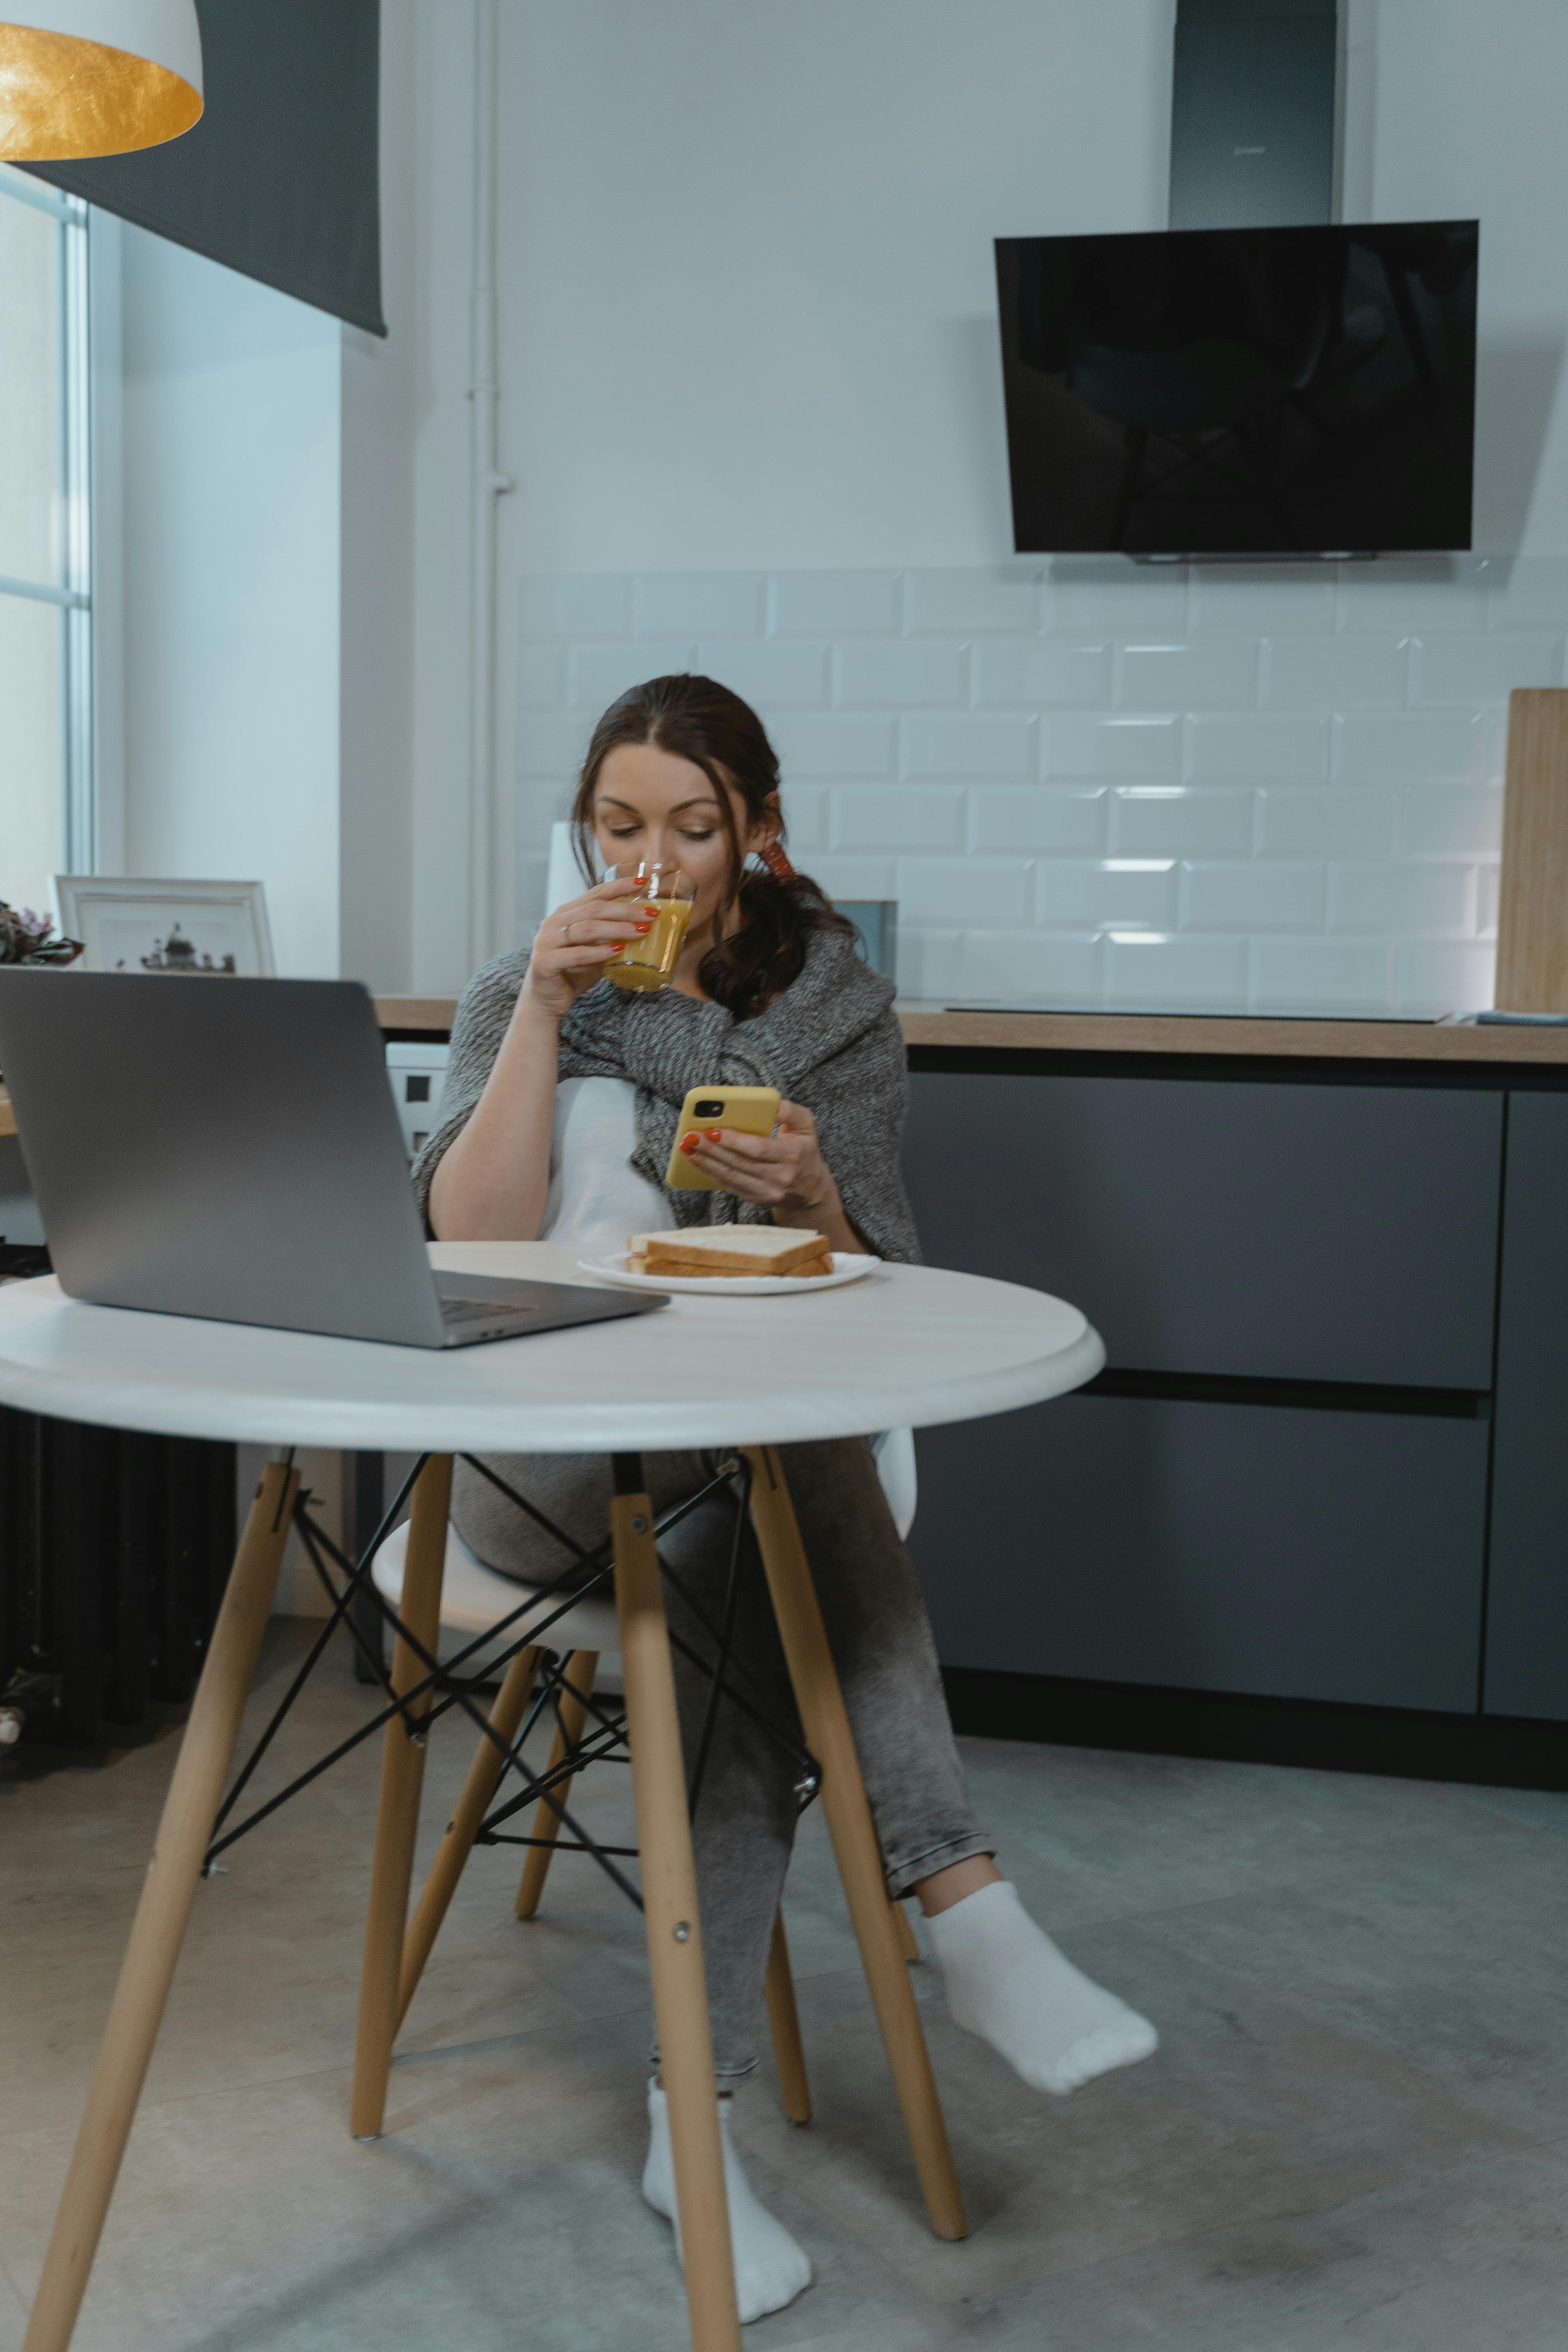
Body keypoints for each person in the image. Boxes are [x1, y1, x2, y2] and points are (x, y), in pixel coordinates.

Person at [413, 674, 1156, 2323]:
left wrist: (813, 1182)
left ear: (758, 828)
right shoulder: (524, 981)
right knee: (782, 1484)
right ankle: (962, 1899)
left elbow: (890, 1270)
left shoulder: (839, 1003)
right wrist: (540, 1006)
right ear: (584, 828)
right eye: (621, 827)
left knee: (763, 1503)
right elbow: (458, 1239)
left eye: (694, 826)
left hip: (740, 1471)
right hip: (541, 1467)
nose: (656, 862)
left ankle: (699, 2126)